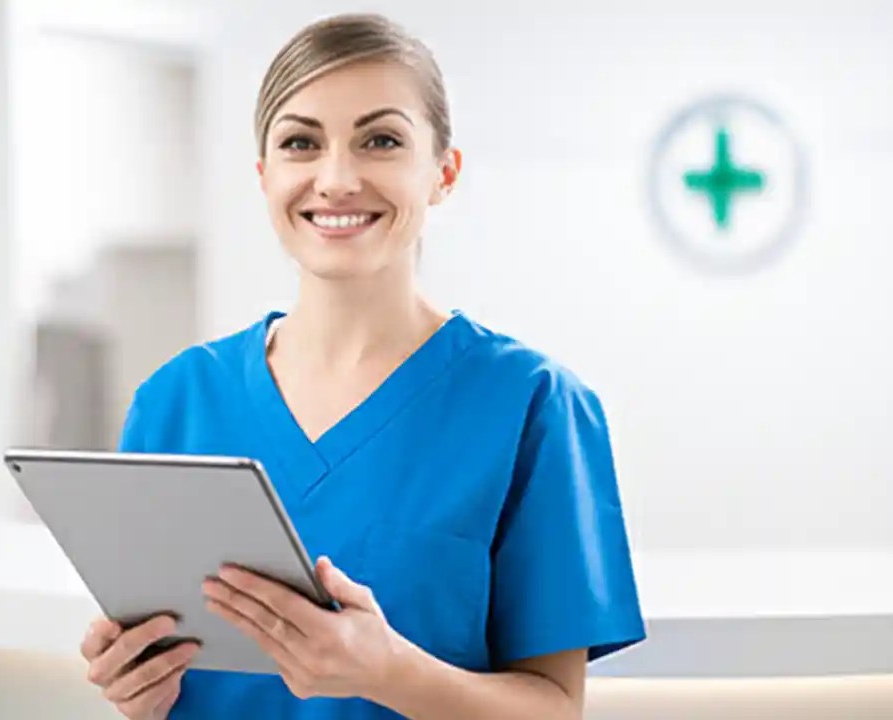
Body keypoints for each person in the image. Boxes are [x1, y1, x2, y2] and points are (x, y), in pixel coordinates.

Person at [79, 12, 646, 720]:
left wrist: (387, 672)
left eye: (380, 141)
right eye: (300, 143)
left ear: (443, 172)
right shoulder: (174, 401)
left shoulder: (532, 405)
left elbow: (556, 710)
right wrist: (139, 692)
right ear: (264, 176)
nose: (336, 178)